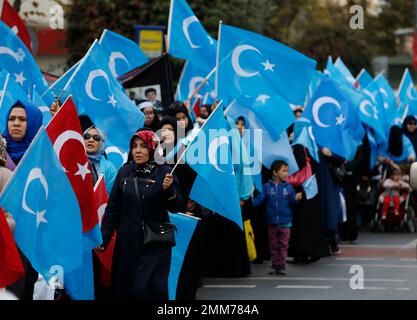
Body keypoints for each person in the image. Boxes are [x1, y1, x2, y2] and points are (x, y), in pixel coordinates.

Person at [99, 130, 183, 300]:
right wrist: (104, 238)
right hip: (127, 243)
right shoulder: (124, 172)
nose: (137, 151)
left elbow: (176, 207)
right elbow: (113, 208)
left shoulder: (165, 172)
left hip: (155, 243)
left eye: (143, 146)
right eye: (134, 146)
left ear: (153, 148)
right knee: (126, 289)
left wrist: (170, 190)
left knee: (148, 289)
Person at [4, 101, 42, 300]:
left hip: (34, 239)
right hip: (5, 240)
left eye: (22, 119)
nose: (15, 123)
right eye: (11, 119)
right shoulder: (1, 155)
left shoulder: (43, 156)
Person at [253, 160, 303, 275]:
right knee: (273, 245)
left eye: (287, 171)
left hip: (285, 222)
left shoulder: (289, 188)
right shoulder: (266, 187)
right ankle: (275, 264)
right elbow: (260, 199)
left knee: (283, 245)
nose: (286, 174)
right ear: (275, 173)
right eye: (284, 171)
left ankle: (280, 265)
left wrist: (296, 198)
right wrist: (250, 202)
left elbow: (292, 203)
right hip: (271, 222)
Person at [80, 116, 117, 194]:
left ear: (101, 143)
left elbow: (114, 196)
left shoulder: (109, 167)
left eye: (96, 138)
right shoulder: (74, 161)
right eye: (87, 137)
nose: (91, 140)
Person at [4, 100, 42, 167]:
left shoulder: (43, 154)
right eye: (11, 119)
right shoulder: (1, 148)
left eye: (22, 119)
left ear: (34, 124)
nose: (16, 124)